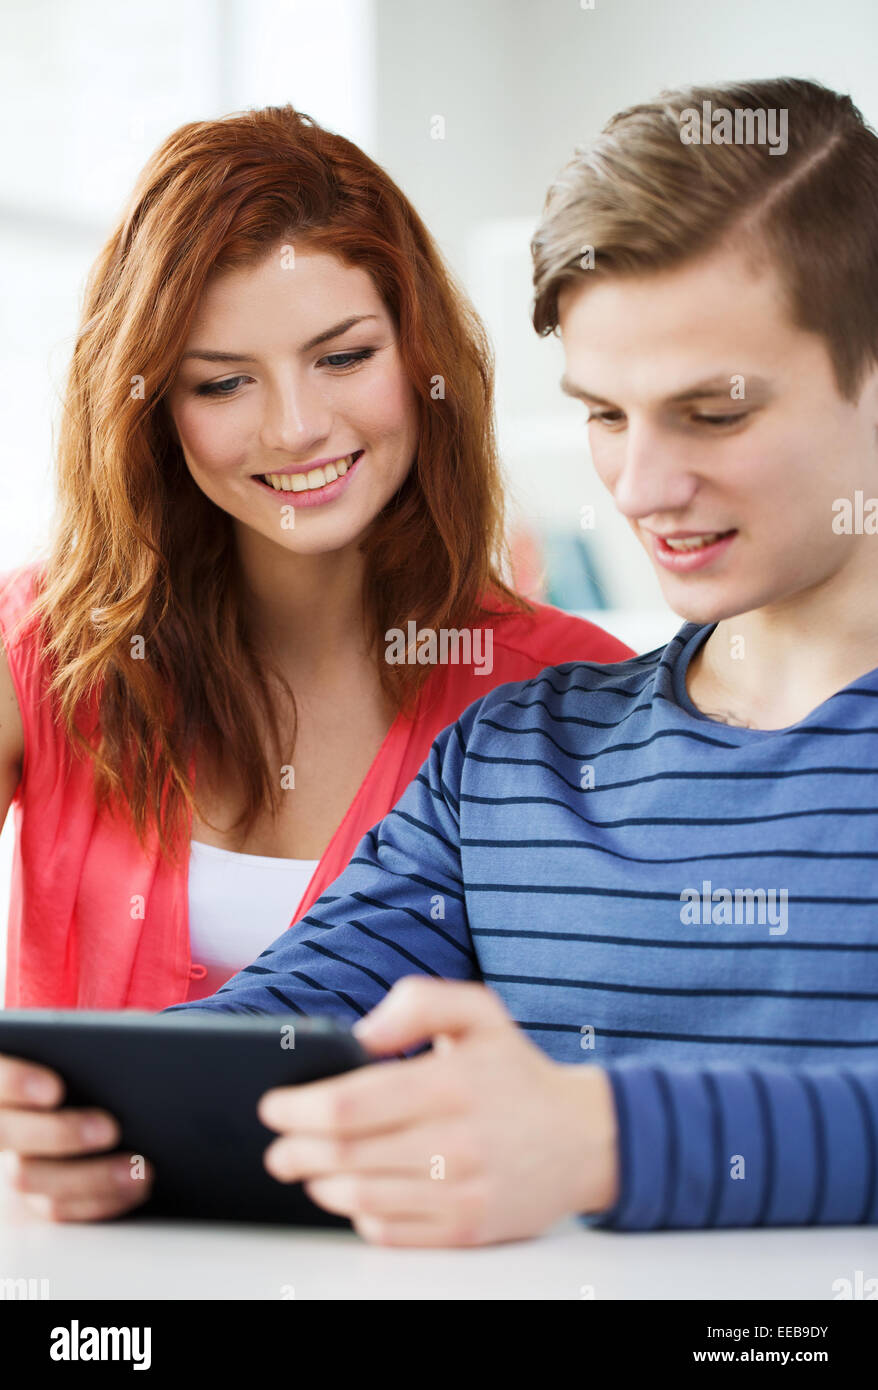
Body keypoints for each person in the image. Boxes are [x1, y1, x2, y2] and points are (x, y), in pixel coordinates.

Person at [6, 74, 878, 1245]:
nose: (639, 488)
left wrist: (599, 1139)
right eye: (605, 416)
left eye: (712, 414)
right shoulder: (515, 755)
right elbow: (284, 1020)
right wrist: (102, 1110)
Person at [0, 103, 629, 1019]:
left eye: (343, 357)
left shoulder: (578, 697)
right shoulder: (40, 653)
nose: (294, 428)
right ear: (149, 410)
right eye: (222, 382)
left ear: (423, 358)